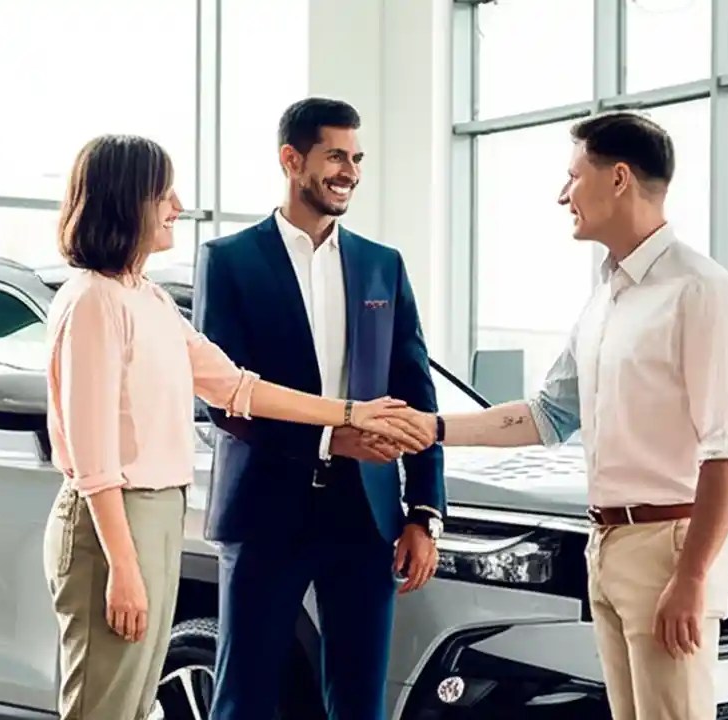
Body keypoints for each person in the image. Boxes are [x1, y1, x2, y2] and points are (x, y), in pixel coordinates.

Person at [42, 133, 436, 720]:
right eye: (163, 193)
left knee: (127, 703)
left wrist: (348, 414)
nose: (176, 205)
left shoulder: (145, 298)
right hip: (114, 522)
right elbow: (95, 460)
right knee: (104, 706)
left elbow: (239, 387)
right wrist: (123, 567)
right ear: (128, 200)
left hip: (154, 514)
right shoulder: (95, 302)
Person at [431, 111, 728, 720]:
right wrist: (431, 431)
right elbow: (547, 415)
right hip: (606, 546)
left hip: (669, 549)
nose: (563, 195)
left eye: (573, 176)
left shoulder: (702, 292)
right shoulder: (607, 299)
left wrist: (690, 578)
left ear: (619, 179)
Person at [194, 97, 446, 720]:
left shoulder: (382, 265)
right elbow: (222, 402)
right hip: (265, 512)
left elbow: (417, 393)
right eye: (336, 155)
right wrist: (332, 438)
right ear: (292, 159)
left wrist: (423, 511)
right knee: (245, 698)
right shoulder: (228, 262)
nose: (351, 172)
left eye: (357, 158)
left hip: (365, 515)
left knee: (361, 705)